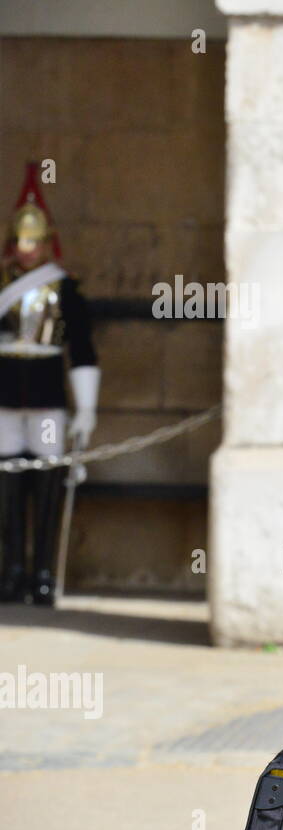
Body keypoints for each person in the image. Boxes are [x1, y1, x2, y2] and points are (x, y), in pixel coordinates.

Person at [0, 162, 99, 604]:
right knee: (6, 488)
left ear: (45, 242)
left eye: (34, 241)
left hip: (46, 400)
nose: (27, 250)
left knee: (46, 487)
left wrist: (86, 408)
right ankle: (10, 569)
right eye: (21, 240)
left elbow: (81, 352)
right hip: (4, 401)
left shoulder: (64, 288)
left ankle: (42, 571)